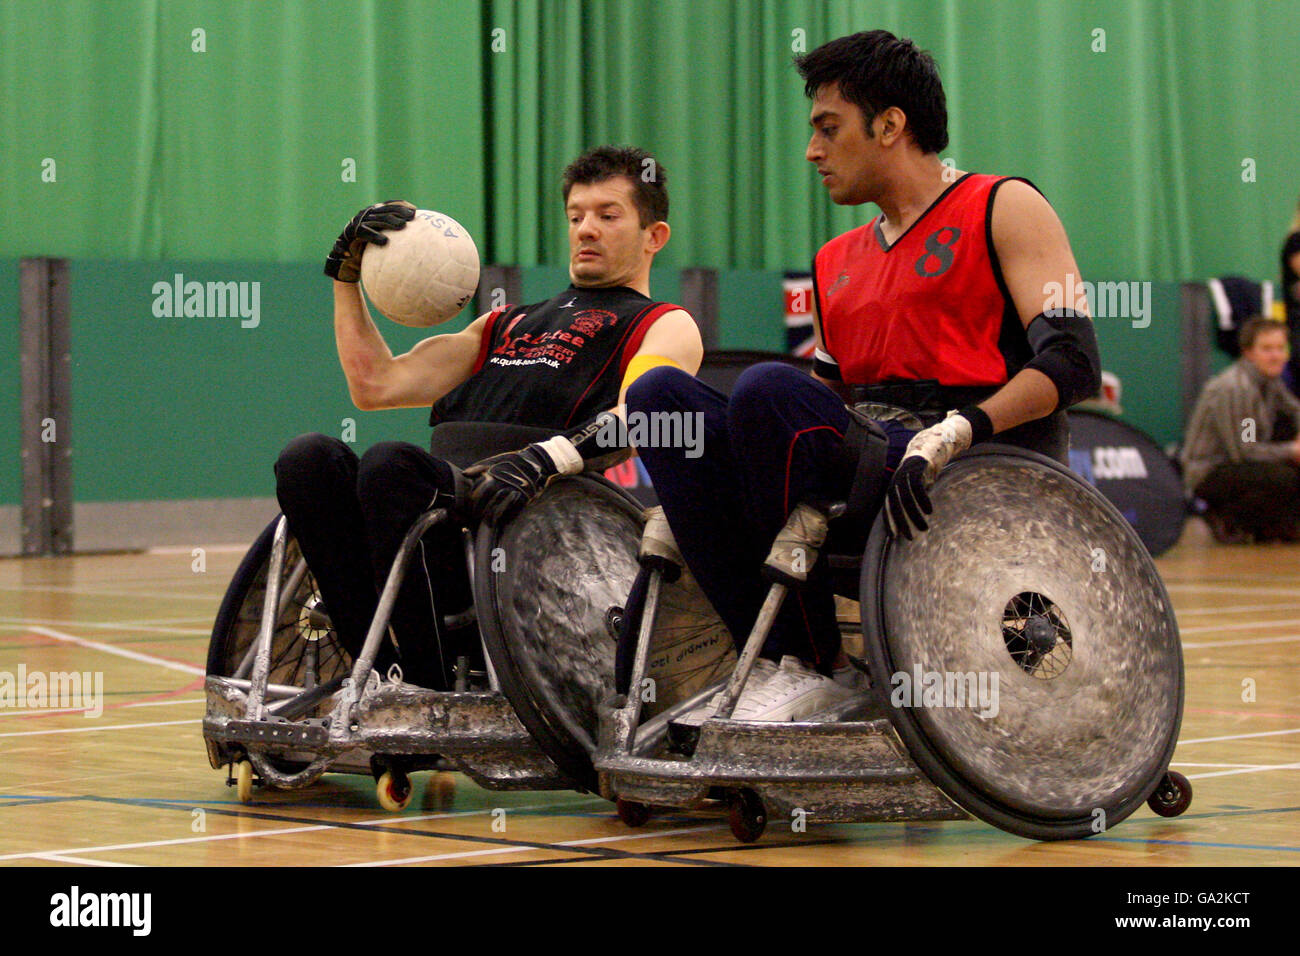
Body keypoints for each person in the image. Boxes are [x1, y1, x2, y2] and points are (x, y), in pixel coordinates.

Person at [626, 30, 1100, 722]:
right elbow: (824, 408)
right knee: (659, 397)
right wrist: (698, 478)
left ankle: (813, 665)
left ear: (890, 125)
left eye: (827, 129)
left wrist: (957, 432)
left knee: (764, 388)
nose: (812, 151)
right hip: (873, 459)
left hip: (975, 467)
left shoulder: (1003, 205)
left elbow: (1074, 361)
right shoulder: (835, 259)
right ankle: (790, 662)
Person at [274, 145, 702, 690]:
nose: (586, 229)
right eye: (576, 216)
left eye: (608, 215)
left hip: (531, 521)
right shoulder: (505, 322)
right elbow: (375, 385)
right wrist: (344, 279)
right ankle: (379, 670)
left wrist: (546, 459)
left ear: (653, 236)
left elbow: (642, 416)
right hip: (435, 506)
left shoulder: (664, 323)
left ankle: (425, 686)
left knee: (389, 465)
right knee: (307, 460)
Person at [1181, 317, 1300, 543]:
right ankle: (1228, 518)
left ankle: (1272, 528)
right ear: (1248, 352)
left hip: (1239, 463)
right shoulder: (1238, 388)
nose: (1276, 356)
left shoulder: (1270, 382)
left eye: (1280, 348)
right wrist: (1293, 451)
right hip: (1209, 471)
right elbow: (1246, 451)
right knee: (1286, 478)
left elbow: (1295, 410)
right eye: (1267, 349)